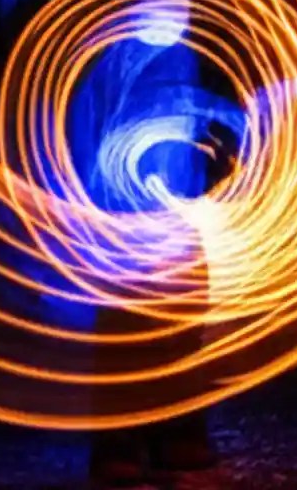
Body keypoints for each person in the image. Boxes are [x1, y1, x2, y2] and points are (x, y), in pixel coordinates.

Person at [88, 120, 238, 489]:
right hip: (121, 205)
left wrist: (217, 157)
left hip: (174, 203)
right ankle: (124, 439)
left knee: (178, 318)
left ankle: (172, 430)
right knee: (124, 320)